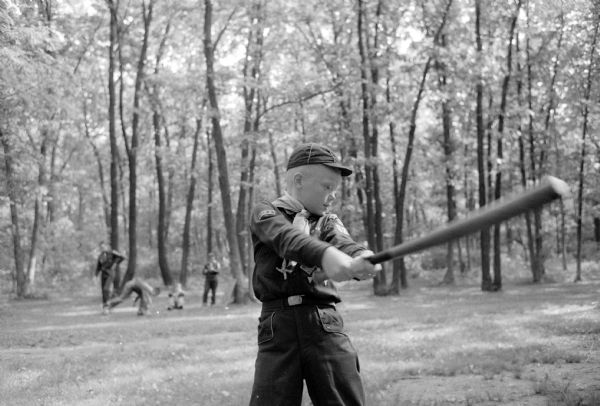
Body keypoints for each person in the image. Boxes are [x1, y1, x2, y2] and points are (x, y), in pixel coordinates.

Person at [248, 142, 382, 406]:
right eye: (327, 187)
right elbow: (286, 239)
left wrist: (360, 256)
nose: (332, 196)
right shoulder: (267, 213)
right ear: (298, 180)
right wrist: (324, 255)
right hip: (277, 325)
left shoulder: (327, 221)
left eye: (334, 190)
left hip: (323, 322)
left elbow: (343, 242)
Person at [95, 241, 126, 315]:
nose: (102, 248)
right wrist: (95, 275)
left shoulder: (112, 253)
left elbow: (122, 257)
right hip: (103, 274)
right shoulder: (100, 256)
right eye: (101, 247)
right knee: (103, 291)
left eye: (103, 246)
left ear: (107, 246)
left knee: (106, 289)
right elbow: (98, 267)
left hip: (110, 273)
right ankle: (106, 307)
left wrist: (115, 263)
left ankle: (107, 306)